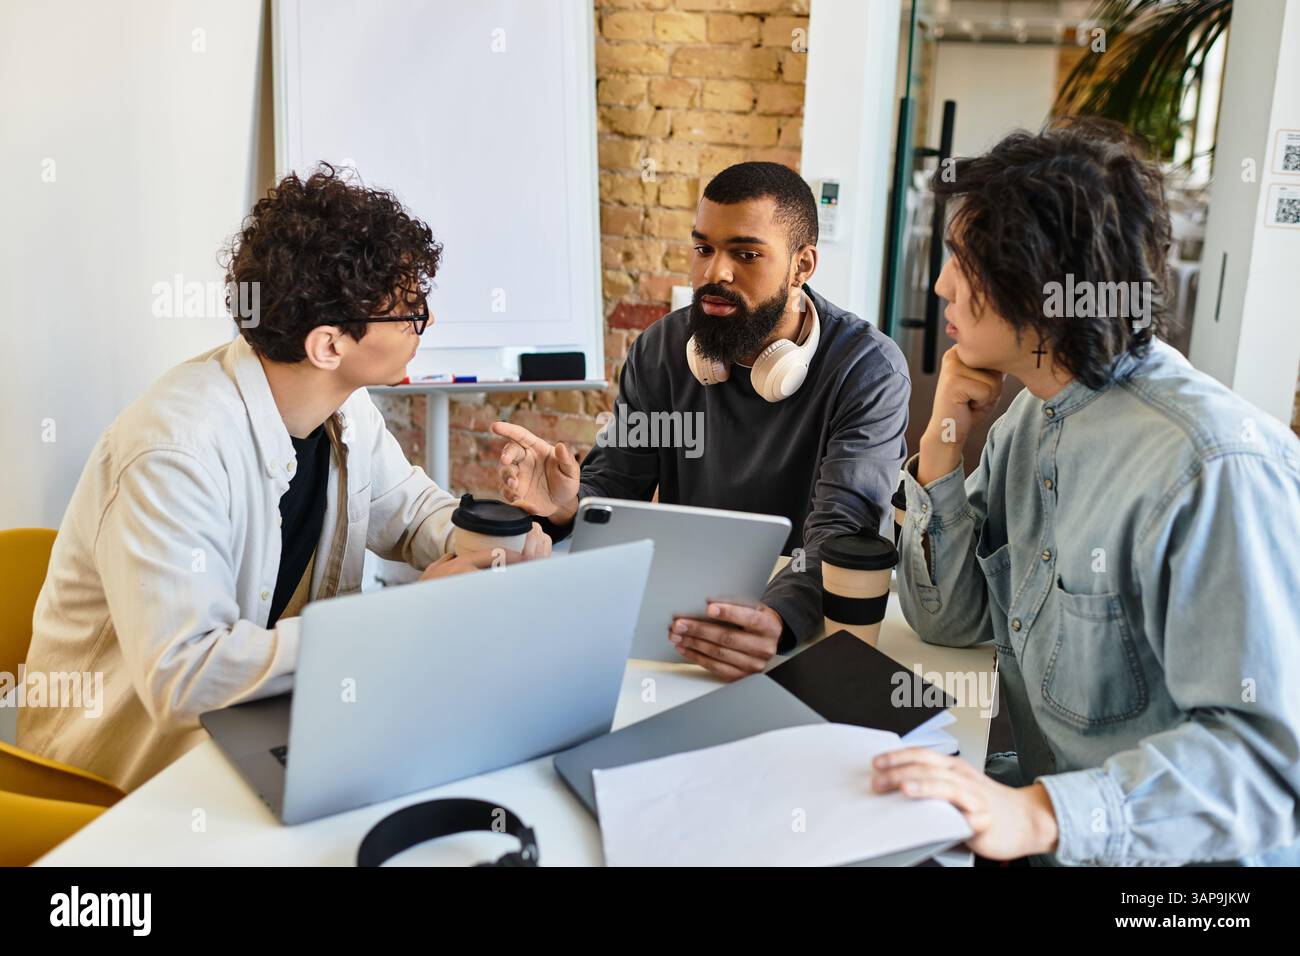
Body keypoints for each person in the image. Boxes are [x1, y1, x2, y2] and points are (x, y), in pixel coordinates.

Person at [18, 166, 548, 791]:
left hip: (265, 737)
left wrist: (501, 543)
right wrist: (407, 615)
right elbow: (186, 675)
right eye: (409, 312)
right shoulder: (172, 453)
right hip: (129, 786)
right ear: (329, 345)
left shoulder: (343, 408)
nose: (422, 327)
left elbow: (410, 514)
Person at [875, 120, 1300, 865]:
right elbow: (950, 621)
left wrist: (1041, 816)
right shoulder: (1031, 419)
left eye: (962, 262)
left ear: (1039, 287)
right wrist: (943, 436)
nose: (941, 283)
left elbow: (1268, 769)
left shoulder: (1213, 469)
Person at [492, 162, 911, 680]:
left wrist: (777, 620)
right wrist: (565, 505)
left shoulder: (867, 369)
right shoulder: (662, 349)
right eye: (703, 248)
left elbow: (843, 531)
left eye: (746, 254)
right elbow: (617, 481)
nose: (715, 273)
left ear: (802, 265)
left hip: (796, 636)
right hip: (682, 624)